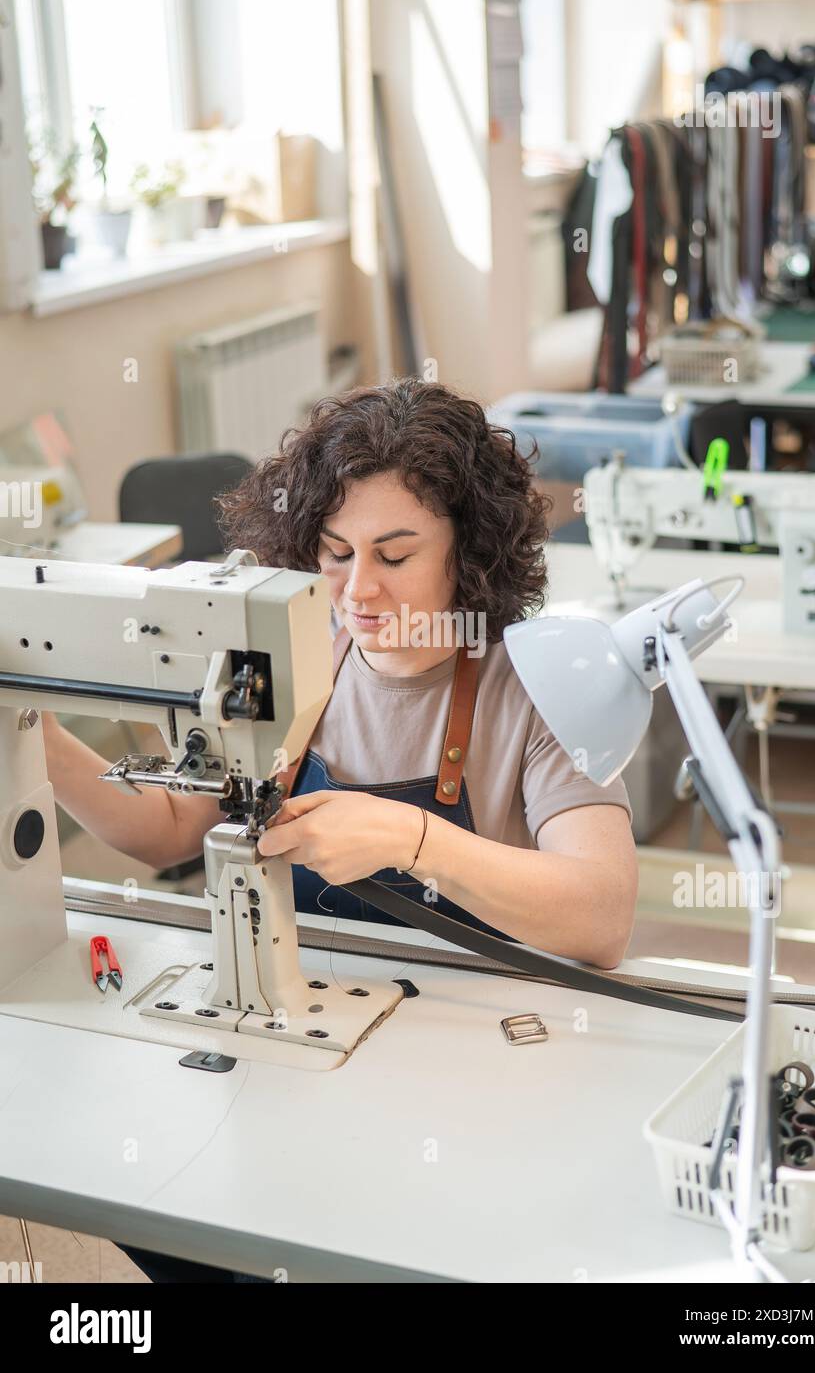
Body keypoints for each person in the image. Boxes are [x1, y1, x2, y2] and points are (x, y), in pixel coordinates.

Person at [43, 377, 638, 1281]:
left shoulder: (541, 684)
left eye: (395, 556)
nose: (357, 590)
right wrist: (34, 735)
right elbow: (166, 827)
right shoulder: (288, 653)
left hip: (463, 1079)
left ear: (467, 554)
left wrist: (413, 839)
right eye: (333, 552)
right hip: (295, 1052)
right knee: (164, 1197)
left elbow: (602, 915)